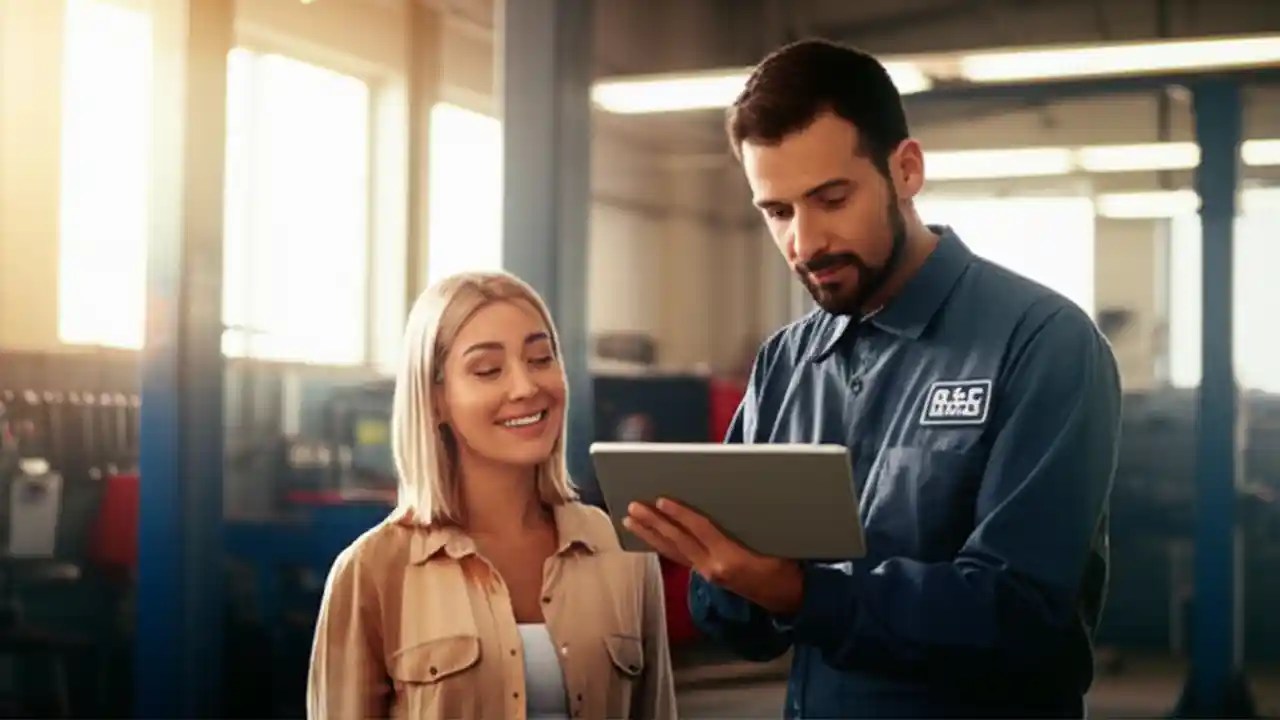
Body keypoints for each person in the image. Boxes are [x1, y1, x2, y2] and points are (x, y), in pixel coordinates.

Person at [624, 39, 1122, 718]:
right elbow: (736, 627)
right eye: (778, 212)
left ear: (906, 170)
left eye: (831, 198)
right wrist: (723, 575)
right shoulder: (786, 364)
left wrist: (802, 594)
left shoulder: (1042, 343)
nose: (805, 242)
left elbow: (1022, 612)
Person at [308, 271, 676, 720]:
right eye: (488, 370)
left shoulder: (621, 549)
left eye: (541, 358)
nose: (525, 387)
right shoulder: (372, 571)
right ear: (435, 398)